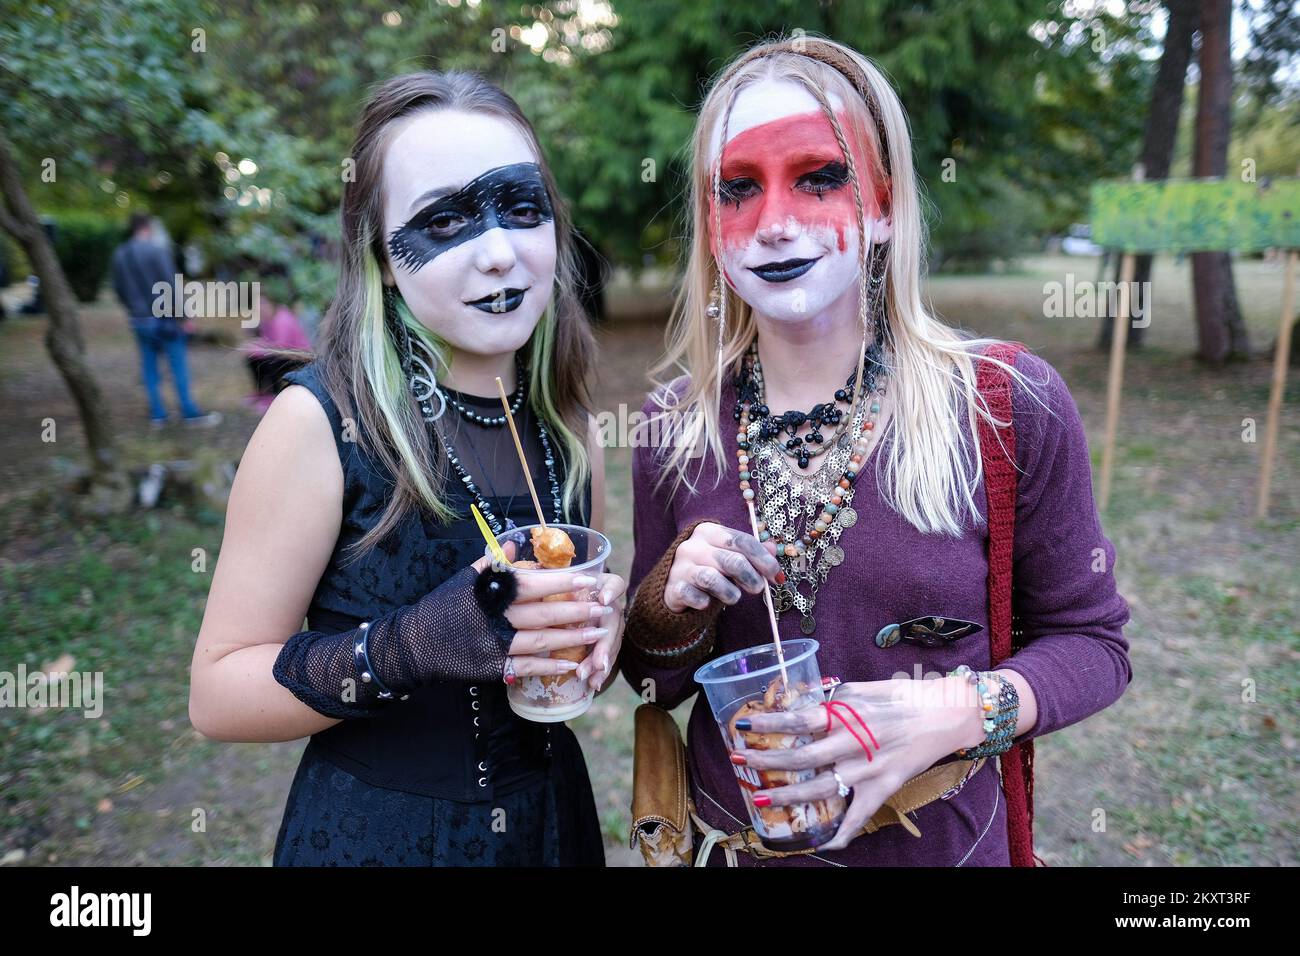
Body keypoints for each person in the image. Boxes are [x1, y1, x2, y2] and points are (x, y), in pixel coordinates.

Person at [620, 36, 1132, 867]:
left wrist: (965, 710)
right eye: (738, 190)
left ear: (887, 204)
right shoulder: (671, 426)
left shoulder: (1006, 404)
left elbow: (1096, 645)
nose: (776, 223)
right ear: (710, 226)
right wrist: (668, 605)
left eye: (821, 177)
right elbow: (655, 685)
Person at [188, 70, 626, 866]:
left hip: (550, 828)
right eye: (447, 220)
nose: (499, 252)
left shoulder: (567, 424)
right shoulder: (318, 424)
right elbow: (217, 696)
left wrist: (601, 627)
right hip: (378, 838)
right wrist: (408, 647)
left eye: (522, 209)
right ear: (382, 260)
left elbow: (563, 626)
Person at [110, 212, 220, 426]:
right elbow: (171, 285)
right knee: (178, 364)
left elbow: (118, 289)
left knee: (149, 367)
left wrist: (133, 308)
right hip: (164, 319)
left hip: (139, 319)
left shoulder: (120, 254)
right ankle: (188, 410)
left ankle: (158, 413)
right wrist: (184, 316)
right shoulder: (157, 251)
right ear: (148, 227)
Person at [243, 290, 312, 413]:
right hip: (282, 353)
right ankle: (261, 391)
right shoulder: (266, 319)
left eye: (263, 304)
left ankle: (273, 395)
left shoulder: (282, 319)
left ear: (271, 304)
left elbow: (281, 347)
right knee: (252, 358)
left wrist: (258, 347)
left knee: (271, 360)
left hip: (298, 356)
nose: (260, 309)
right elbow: (266, 340)